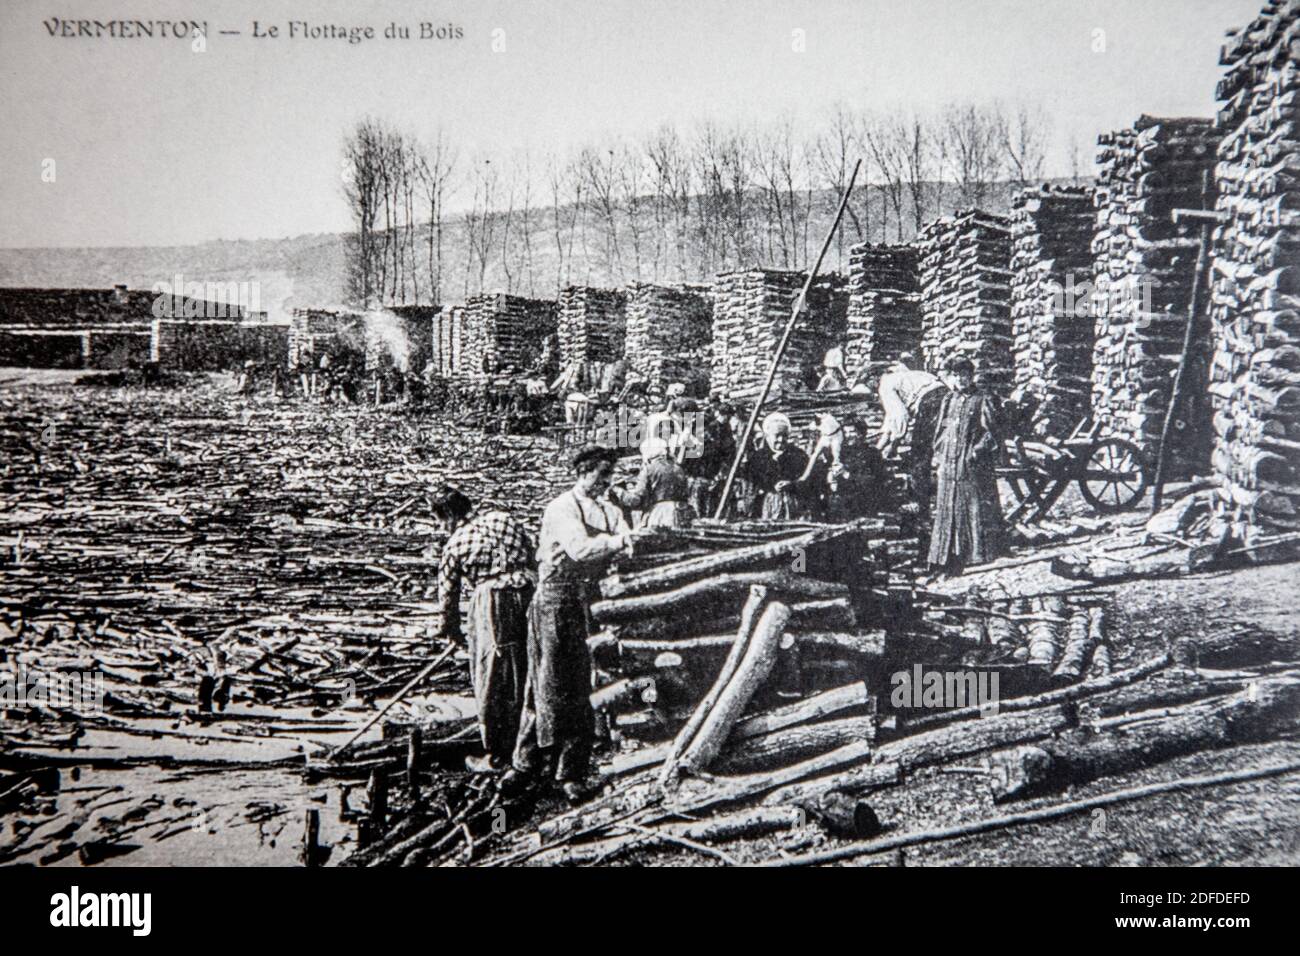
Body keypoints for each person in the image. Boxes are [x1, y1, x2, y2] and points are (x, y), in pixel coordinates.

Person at [504, 445, 633, 802]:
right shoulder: (562, 507)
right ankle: (526, 763)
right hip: (555, 601)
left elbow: (626, 544)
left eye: (610, 475)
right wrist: (618, 542)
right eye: (601, 474)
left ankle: (570, 772)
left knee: (581, 684)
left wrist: (620, 542)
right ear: (583, 473)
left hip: (587, 601)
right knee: (546, 682)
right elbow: (579, 549)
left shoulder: (610, 509)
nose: (607, 482)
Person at [429, 487, 537, 772]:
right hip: (528, 591)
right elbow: (533, 551)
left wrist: (450, 632)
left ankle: (496, 754)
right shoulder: (504, 519)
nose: (442, 528)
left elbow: (447, 597)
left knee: (491, 675)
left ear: (450, 515)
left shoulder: (455, 544)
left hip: (491, 601)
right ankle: (530, 743)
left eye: (441, 521)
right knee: (528, 665)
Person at [928, 358, 1007, 578]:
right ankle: (944, 557)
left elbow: (994, 433)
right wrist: (939, 455)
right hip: (949, 464)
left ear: (971, 376)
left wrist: (976, 452)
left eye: (964, 375)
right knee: (946, 508)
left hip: (970, 465)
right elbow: (941, 431)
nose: (960, 379)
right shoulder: (949, 399)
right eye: (955, 375)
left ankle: (974, 557)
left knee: (972, 508)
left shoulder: (983, 400)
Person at [877, 353, 948, 514]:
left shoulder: (885, 384)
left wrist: (894, 445)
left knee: (919, 454)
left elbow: (900, 416)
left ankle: (919, 502)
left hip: (930, 403)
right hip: (946, 396)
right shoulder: (911, 375)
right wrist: (881, 445)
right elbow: (890, 420)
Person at [613, 436, 695, 528]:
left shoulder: (649, 469)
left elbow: (635, 500)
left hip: (660, 514)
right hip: (682, 512)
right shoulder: (678, 468)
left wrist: (618, 491)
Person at [745, 412, 812, 520]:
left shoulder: (799, 455)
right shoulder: (757, 458)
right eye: (777, 435)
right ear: (767, 436)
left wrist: (792, 484)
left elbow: (808, 481)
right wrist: (771, 486)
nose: (781, 440)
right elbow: (752, 484)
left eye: (784, 436)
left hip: (794, 507)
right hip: (765, 509)